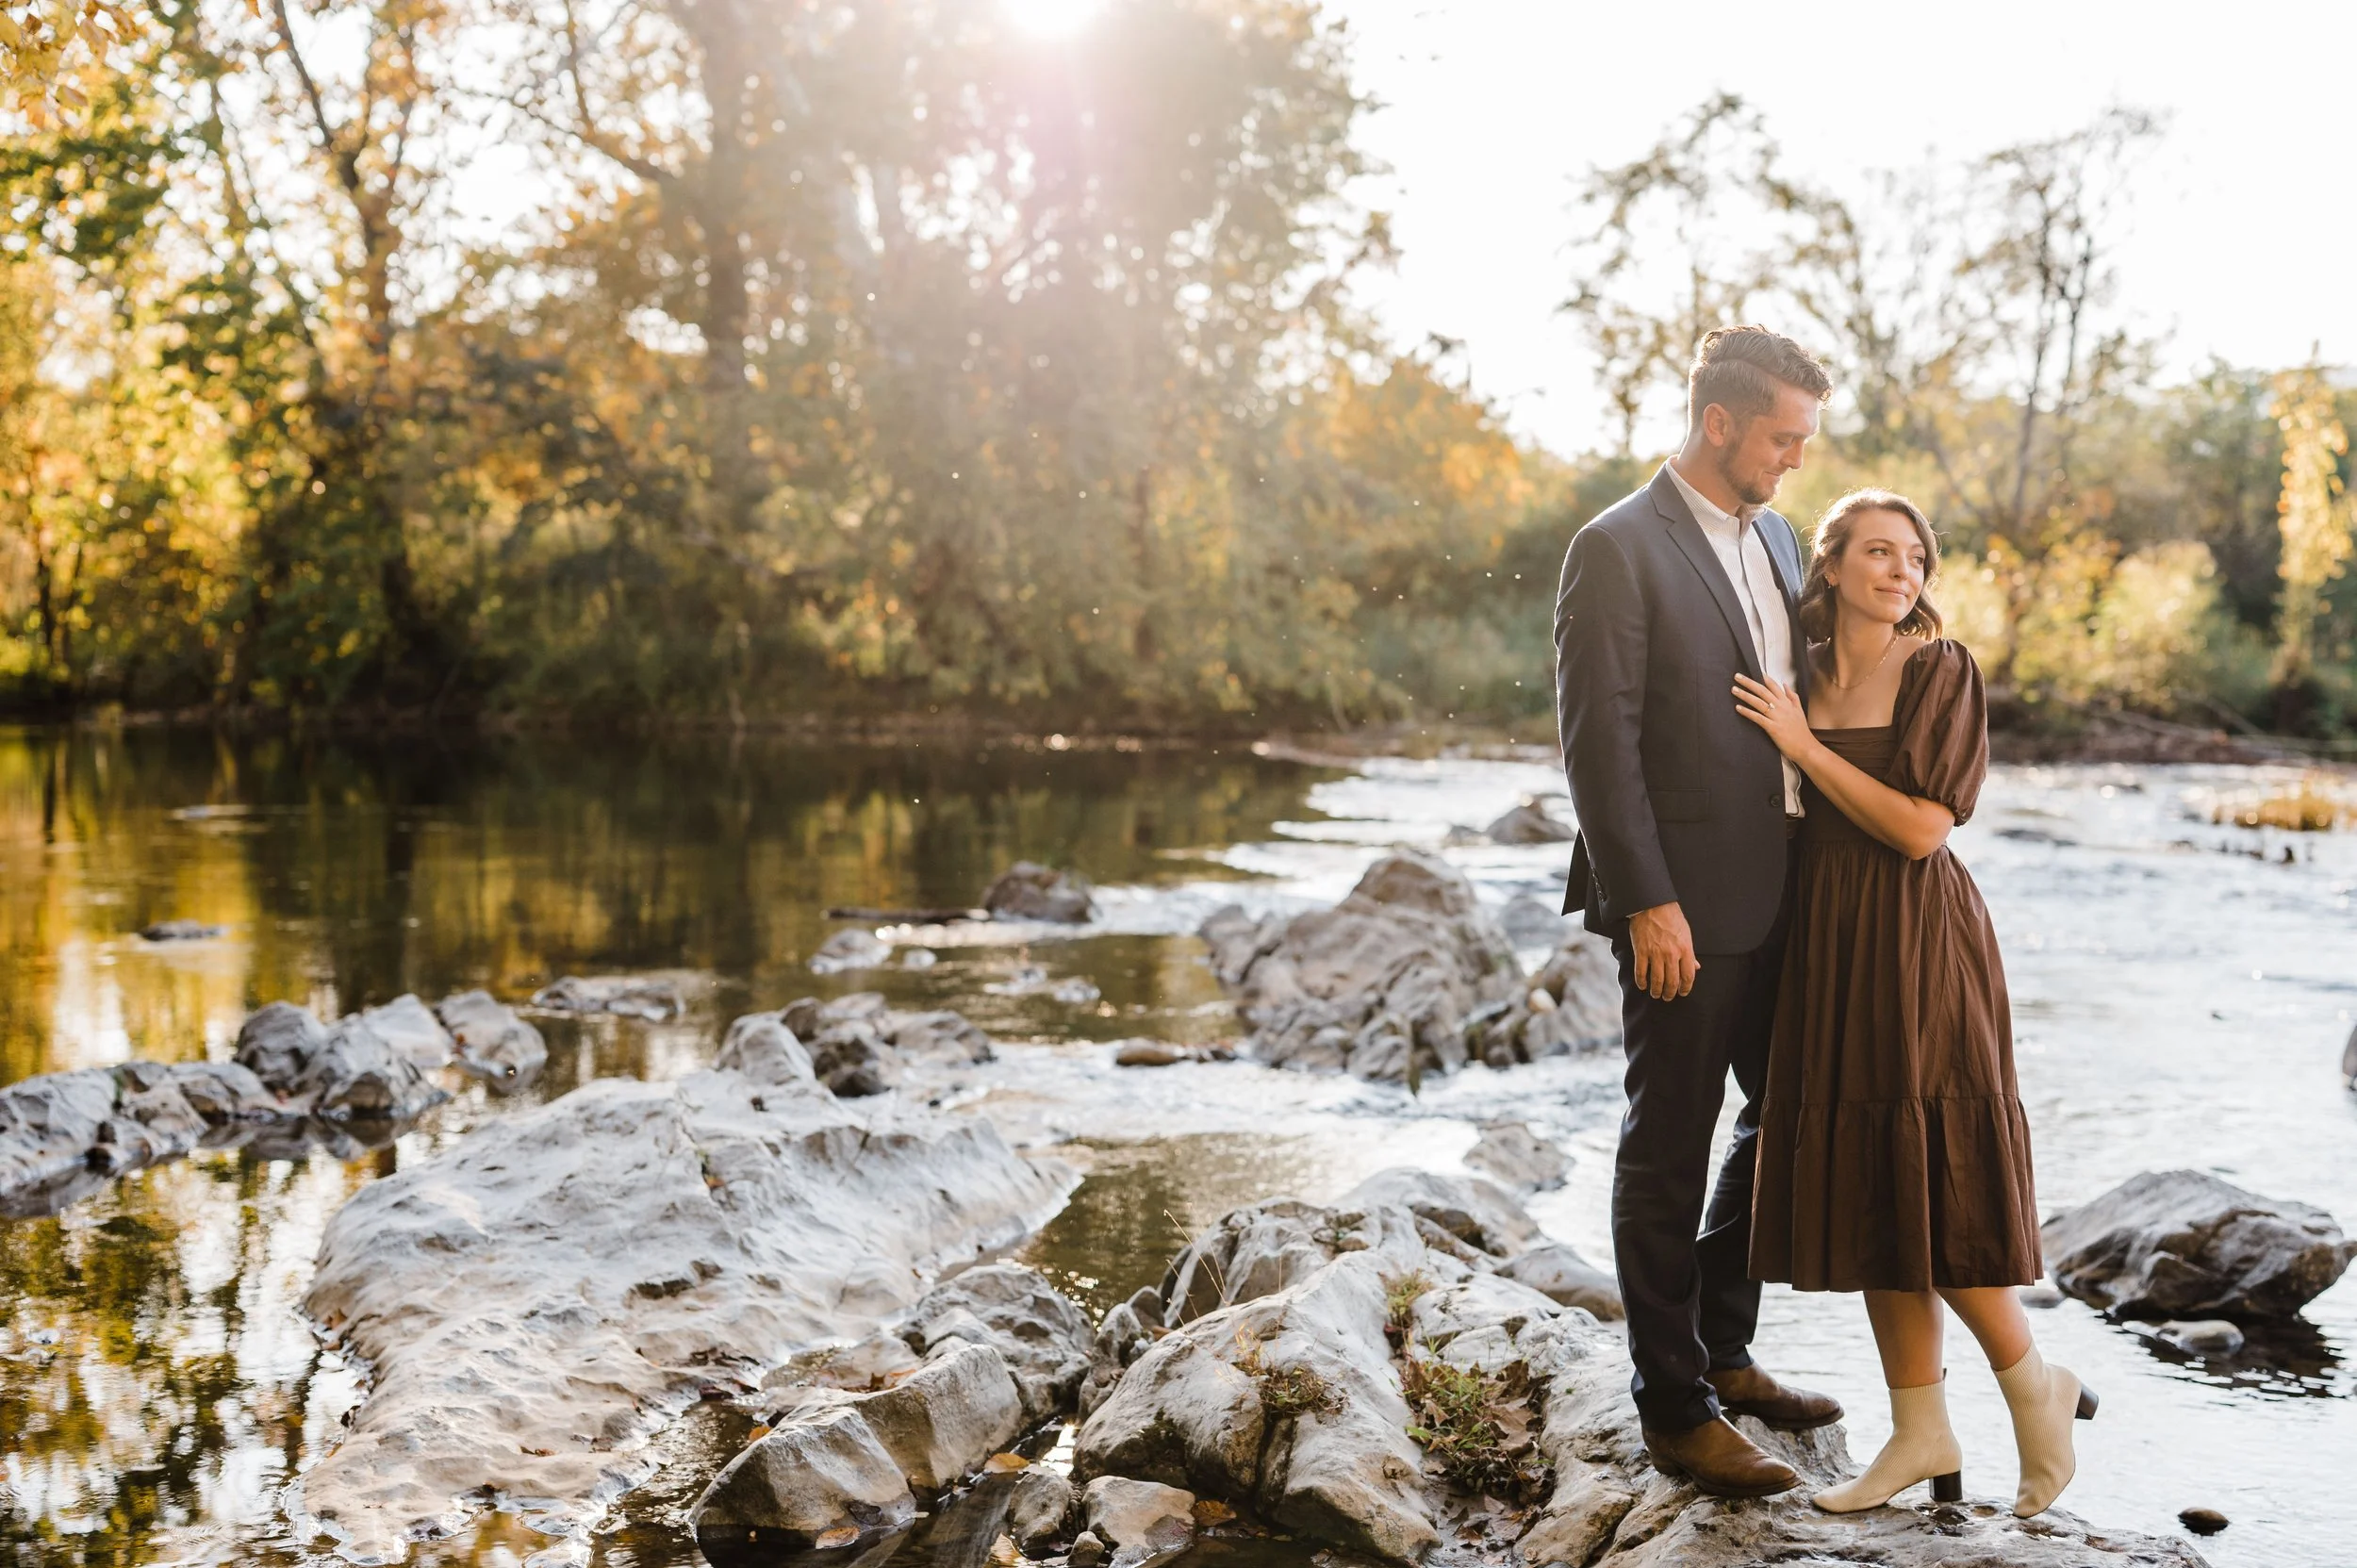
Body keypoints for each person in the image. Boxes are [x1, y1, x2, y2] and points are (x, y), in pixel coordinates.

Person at [1734, 489, 2097, 1517]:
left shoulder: (1941, 670)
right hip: (1828, 945)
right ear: (1834, 565)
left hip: (1917, 942)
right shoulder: (1793, 673)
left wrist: (1806, 749)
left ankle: (2035, 1385)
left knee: (1931, 1182)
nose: (1901, 572)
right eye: (1879, 553)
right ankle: (1918, 1428)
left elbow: (1921, 832)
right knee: (1873, 1180)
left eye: (1915, 559)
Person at [1553, 325, 1841, 1498]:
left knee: (1783, 1116)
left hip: (1788, 889)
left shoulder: (1776, 535)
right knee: (1667, 1145)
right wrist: (1647, 903)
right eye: (1781, 437)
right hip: (1681, 901)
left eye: (1804, 441)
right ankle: (1671, 1405)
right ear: (1718, 423)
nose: (1793, 461)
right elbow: (1596, 743)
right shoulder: (1614, 545)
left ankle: (1726, 1350)